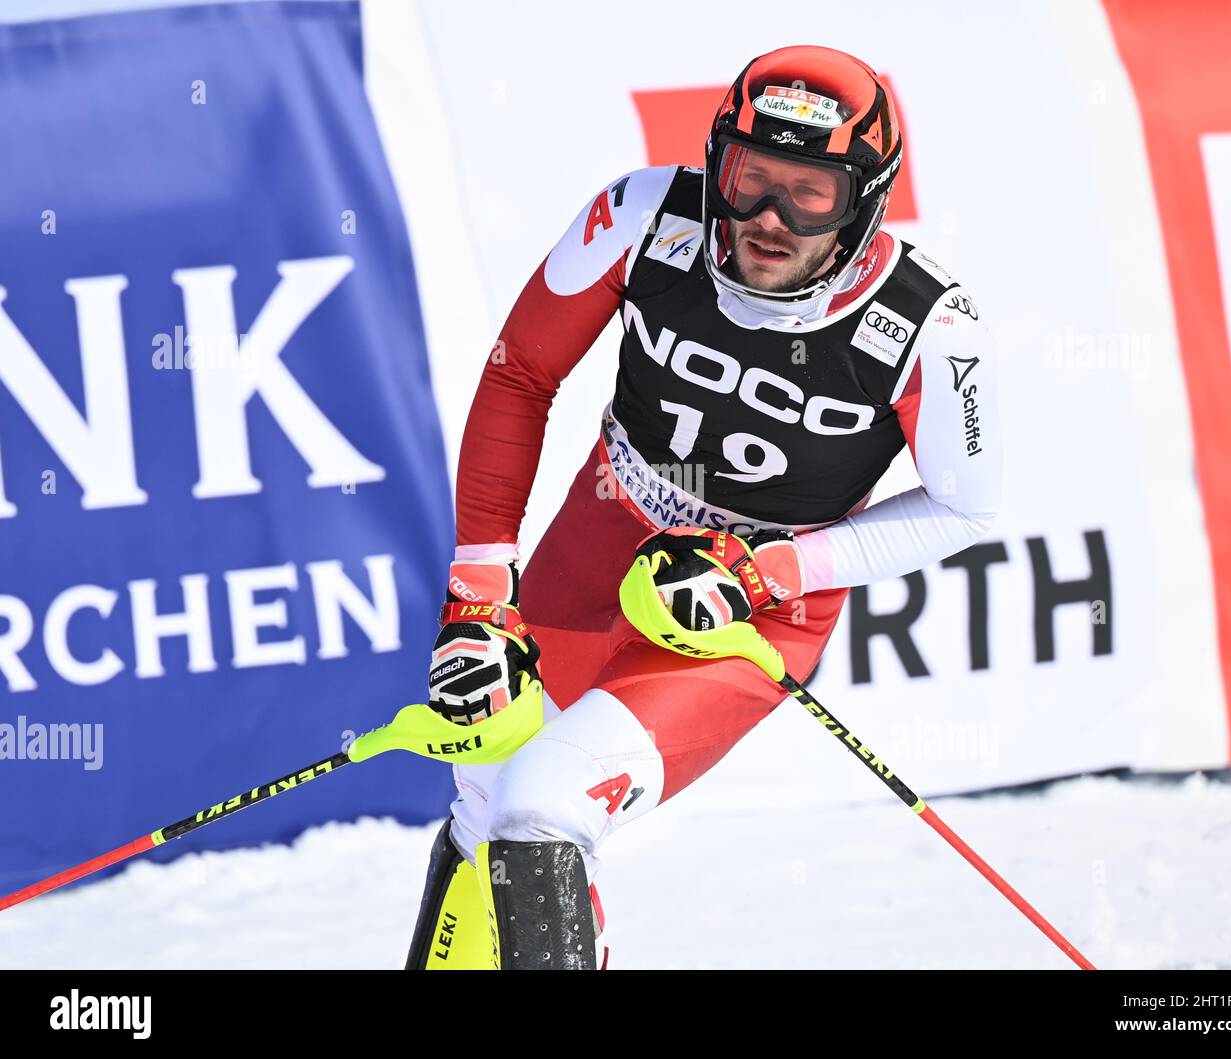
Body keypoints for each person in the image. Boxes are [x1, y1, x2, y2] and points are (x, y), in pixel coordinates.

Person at [406, 43, 1001, 970]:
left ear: (866, 201)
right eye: (749, 177)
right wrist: (479, 591)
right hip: (605, 529)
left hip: (753, 608)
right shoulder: (643, 214)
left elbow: (966, 509)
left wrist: (772, 569)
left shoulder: (935, 328)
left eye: (811, 194)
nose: (766, 218)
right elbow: (521, 372)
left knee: (541, 813)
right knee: (482, 784)